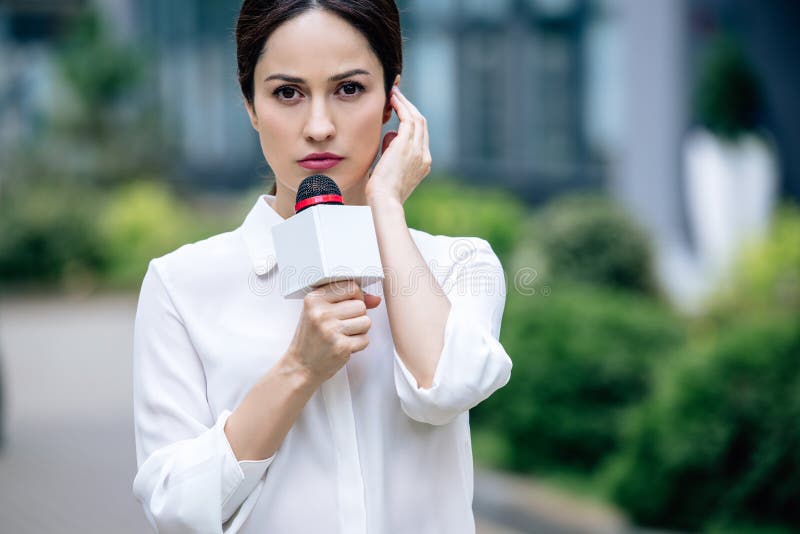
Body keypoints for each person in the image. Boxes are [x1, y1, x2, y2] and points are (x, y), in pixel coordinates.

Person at [131, 1, 513, 532]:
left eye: (349, 89)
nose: (318, 126)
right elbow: (173, 506)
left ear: (391, 101)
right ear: (250, 104)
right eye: (287, 93)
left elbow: (446, 387)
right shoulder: (182, 285)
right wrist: (299, 368)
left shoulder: (458, 263)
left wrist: (385, 203)